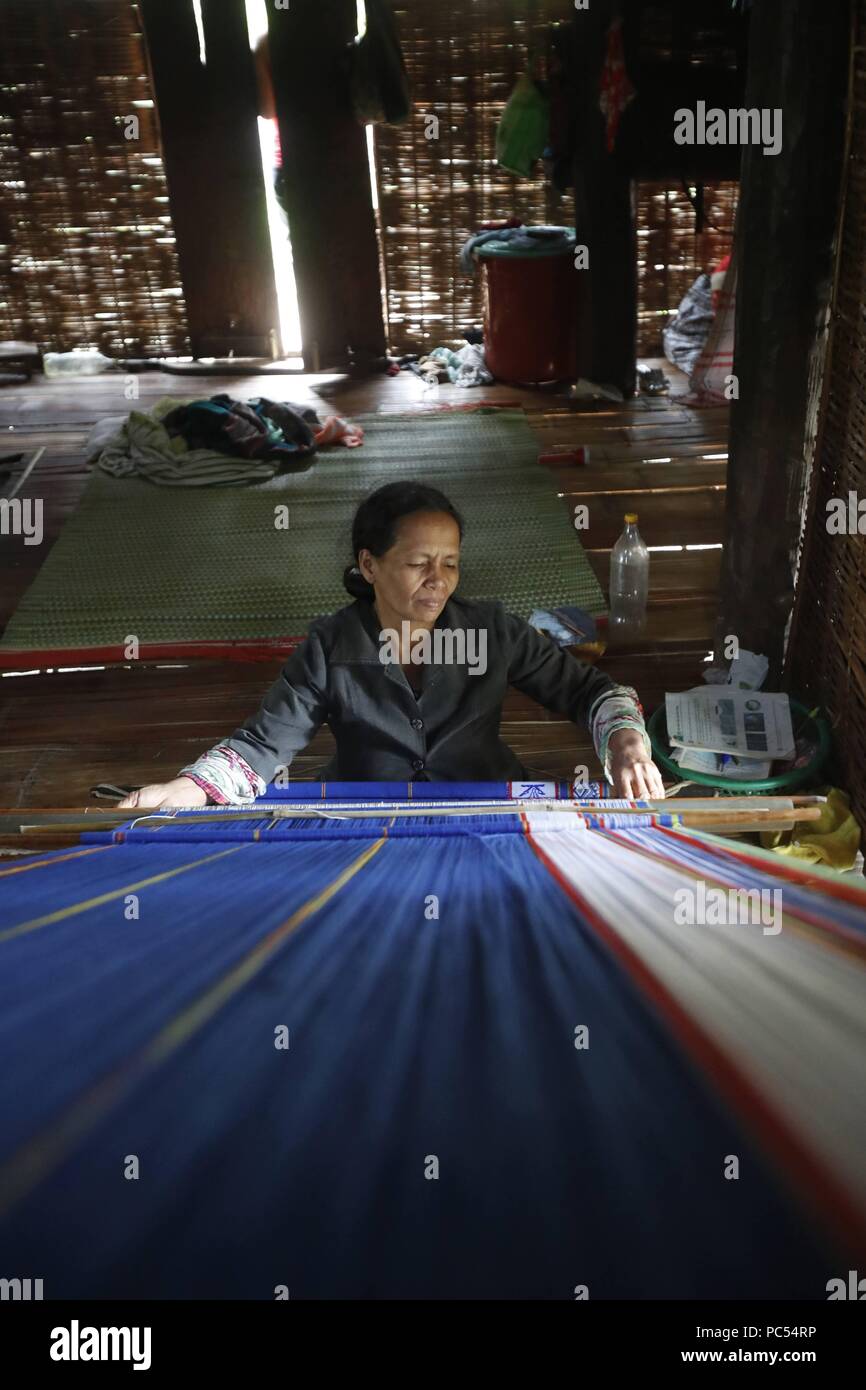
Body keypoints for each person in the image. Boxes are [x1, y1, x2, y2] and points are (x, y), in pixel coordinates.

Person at [118, 482, 664, 810]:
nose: (439, 579)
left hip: (484, 806)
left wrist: (625, 742)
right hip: (365, 813)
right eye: (417, 563)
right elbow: (264, 746)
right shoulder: (331, 647)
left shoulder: (492, 632)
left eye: (450, 563)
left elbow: (592, 691)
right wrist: (189, 787)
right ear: (369, 565)